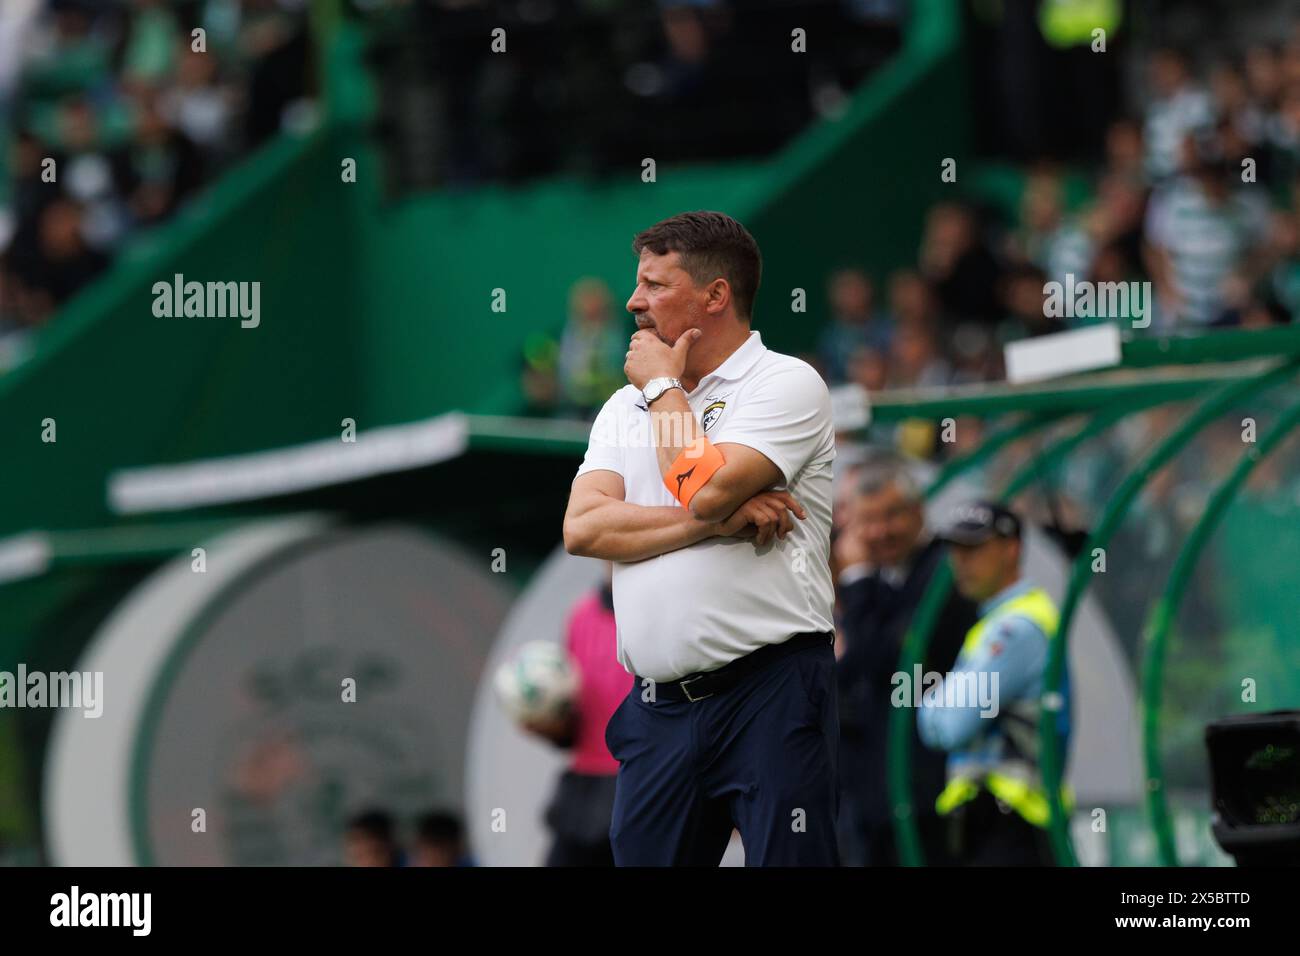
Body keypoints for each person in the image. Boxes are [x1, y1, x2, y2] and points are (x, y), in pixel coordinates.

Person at [563, 210, 840, 866]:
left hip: (769, 692)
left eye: (656, 285)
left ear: (715, 296)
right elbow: (584, 528)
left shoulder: (784, 383)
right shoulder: (619, 406)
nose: (635, 302)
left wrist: (662, 386)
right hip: (657, 711)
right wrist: (713, 525)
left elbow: (703, 485)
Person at [833, 456, 976, 866]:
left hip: (924, 792)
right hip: (873, 798)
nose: (880, 531)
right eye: (868, 521)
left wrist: (856, 579)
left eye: (892, 515)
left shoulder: (942, 572)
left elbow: (885, 658)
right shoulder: (884, 577)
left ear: (918, 511)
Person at [918, 501, 1070, 866]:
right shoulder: (1003, 619)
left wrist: (934, 705)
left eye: (973, 549)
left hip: (1011, 822)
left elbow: (948, 725)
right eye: (955, 549)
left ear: (1011, 548)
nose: (960, 561)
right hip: (1004, 824)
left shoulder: (1014, 628)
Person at [522, 564, 633, 866]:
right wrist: (549, 726)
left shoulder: (657, 612)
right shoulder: (580, 615)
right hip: (583, 792)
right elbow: (573, 727)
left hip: (642, 783)